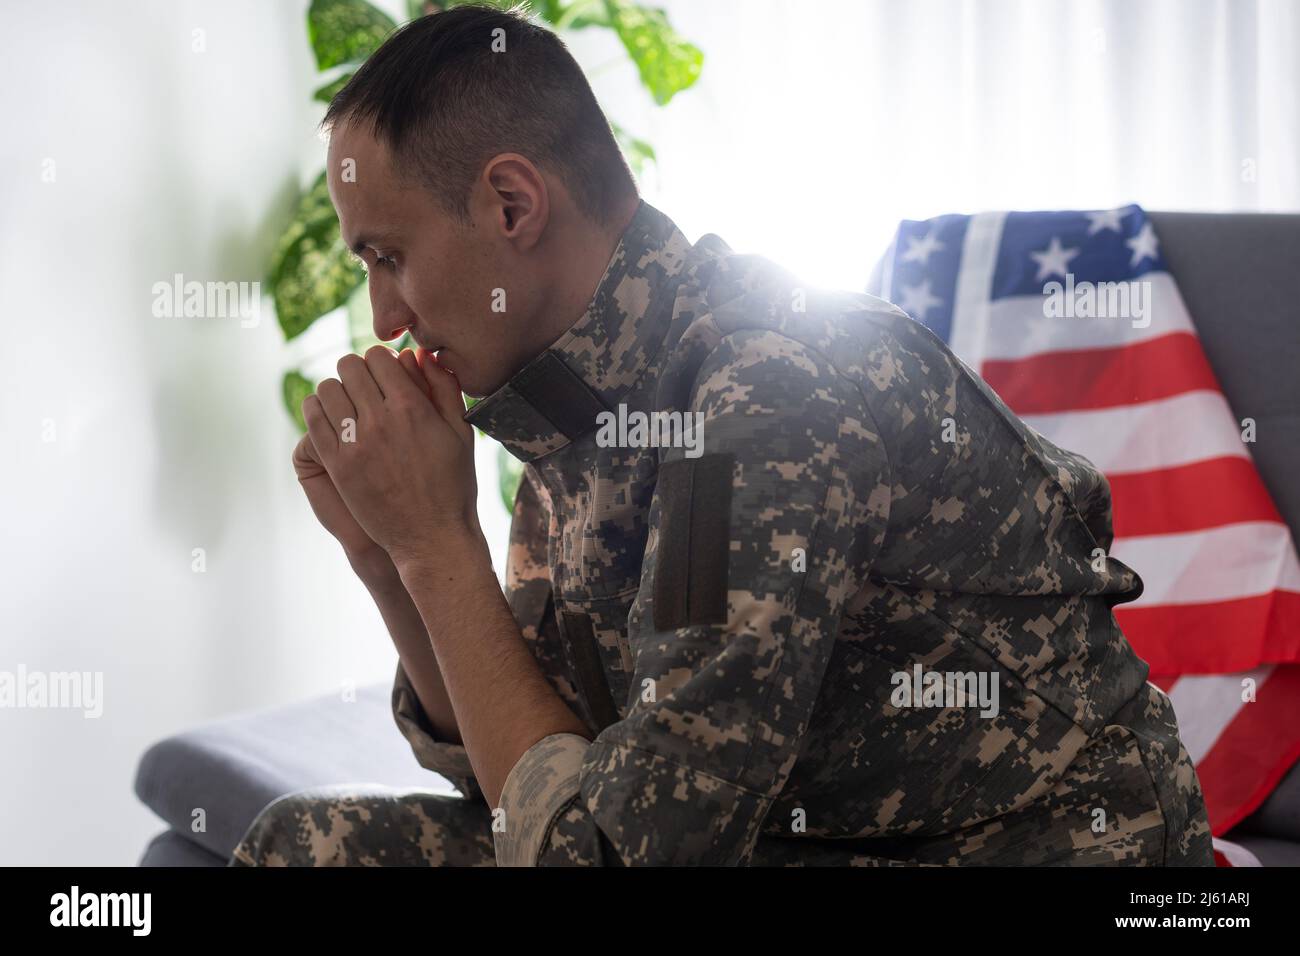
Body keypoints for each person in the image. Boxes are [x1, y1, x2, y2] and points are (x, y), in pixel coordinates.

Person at [230, 4, 1213, 867]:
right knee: (306, 846)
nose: (384, 316)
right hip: (794, 835)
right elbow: (530, 768)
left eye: (389, 256)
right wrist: (385, 556)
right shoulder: (580, 399)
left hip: (1020, 850)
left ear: (511, 204)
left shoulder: (749, 406)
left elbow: (612, 853)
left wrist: (434, 548)